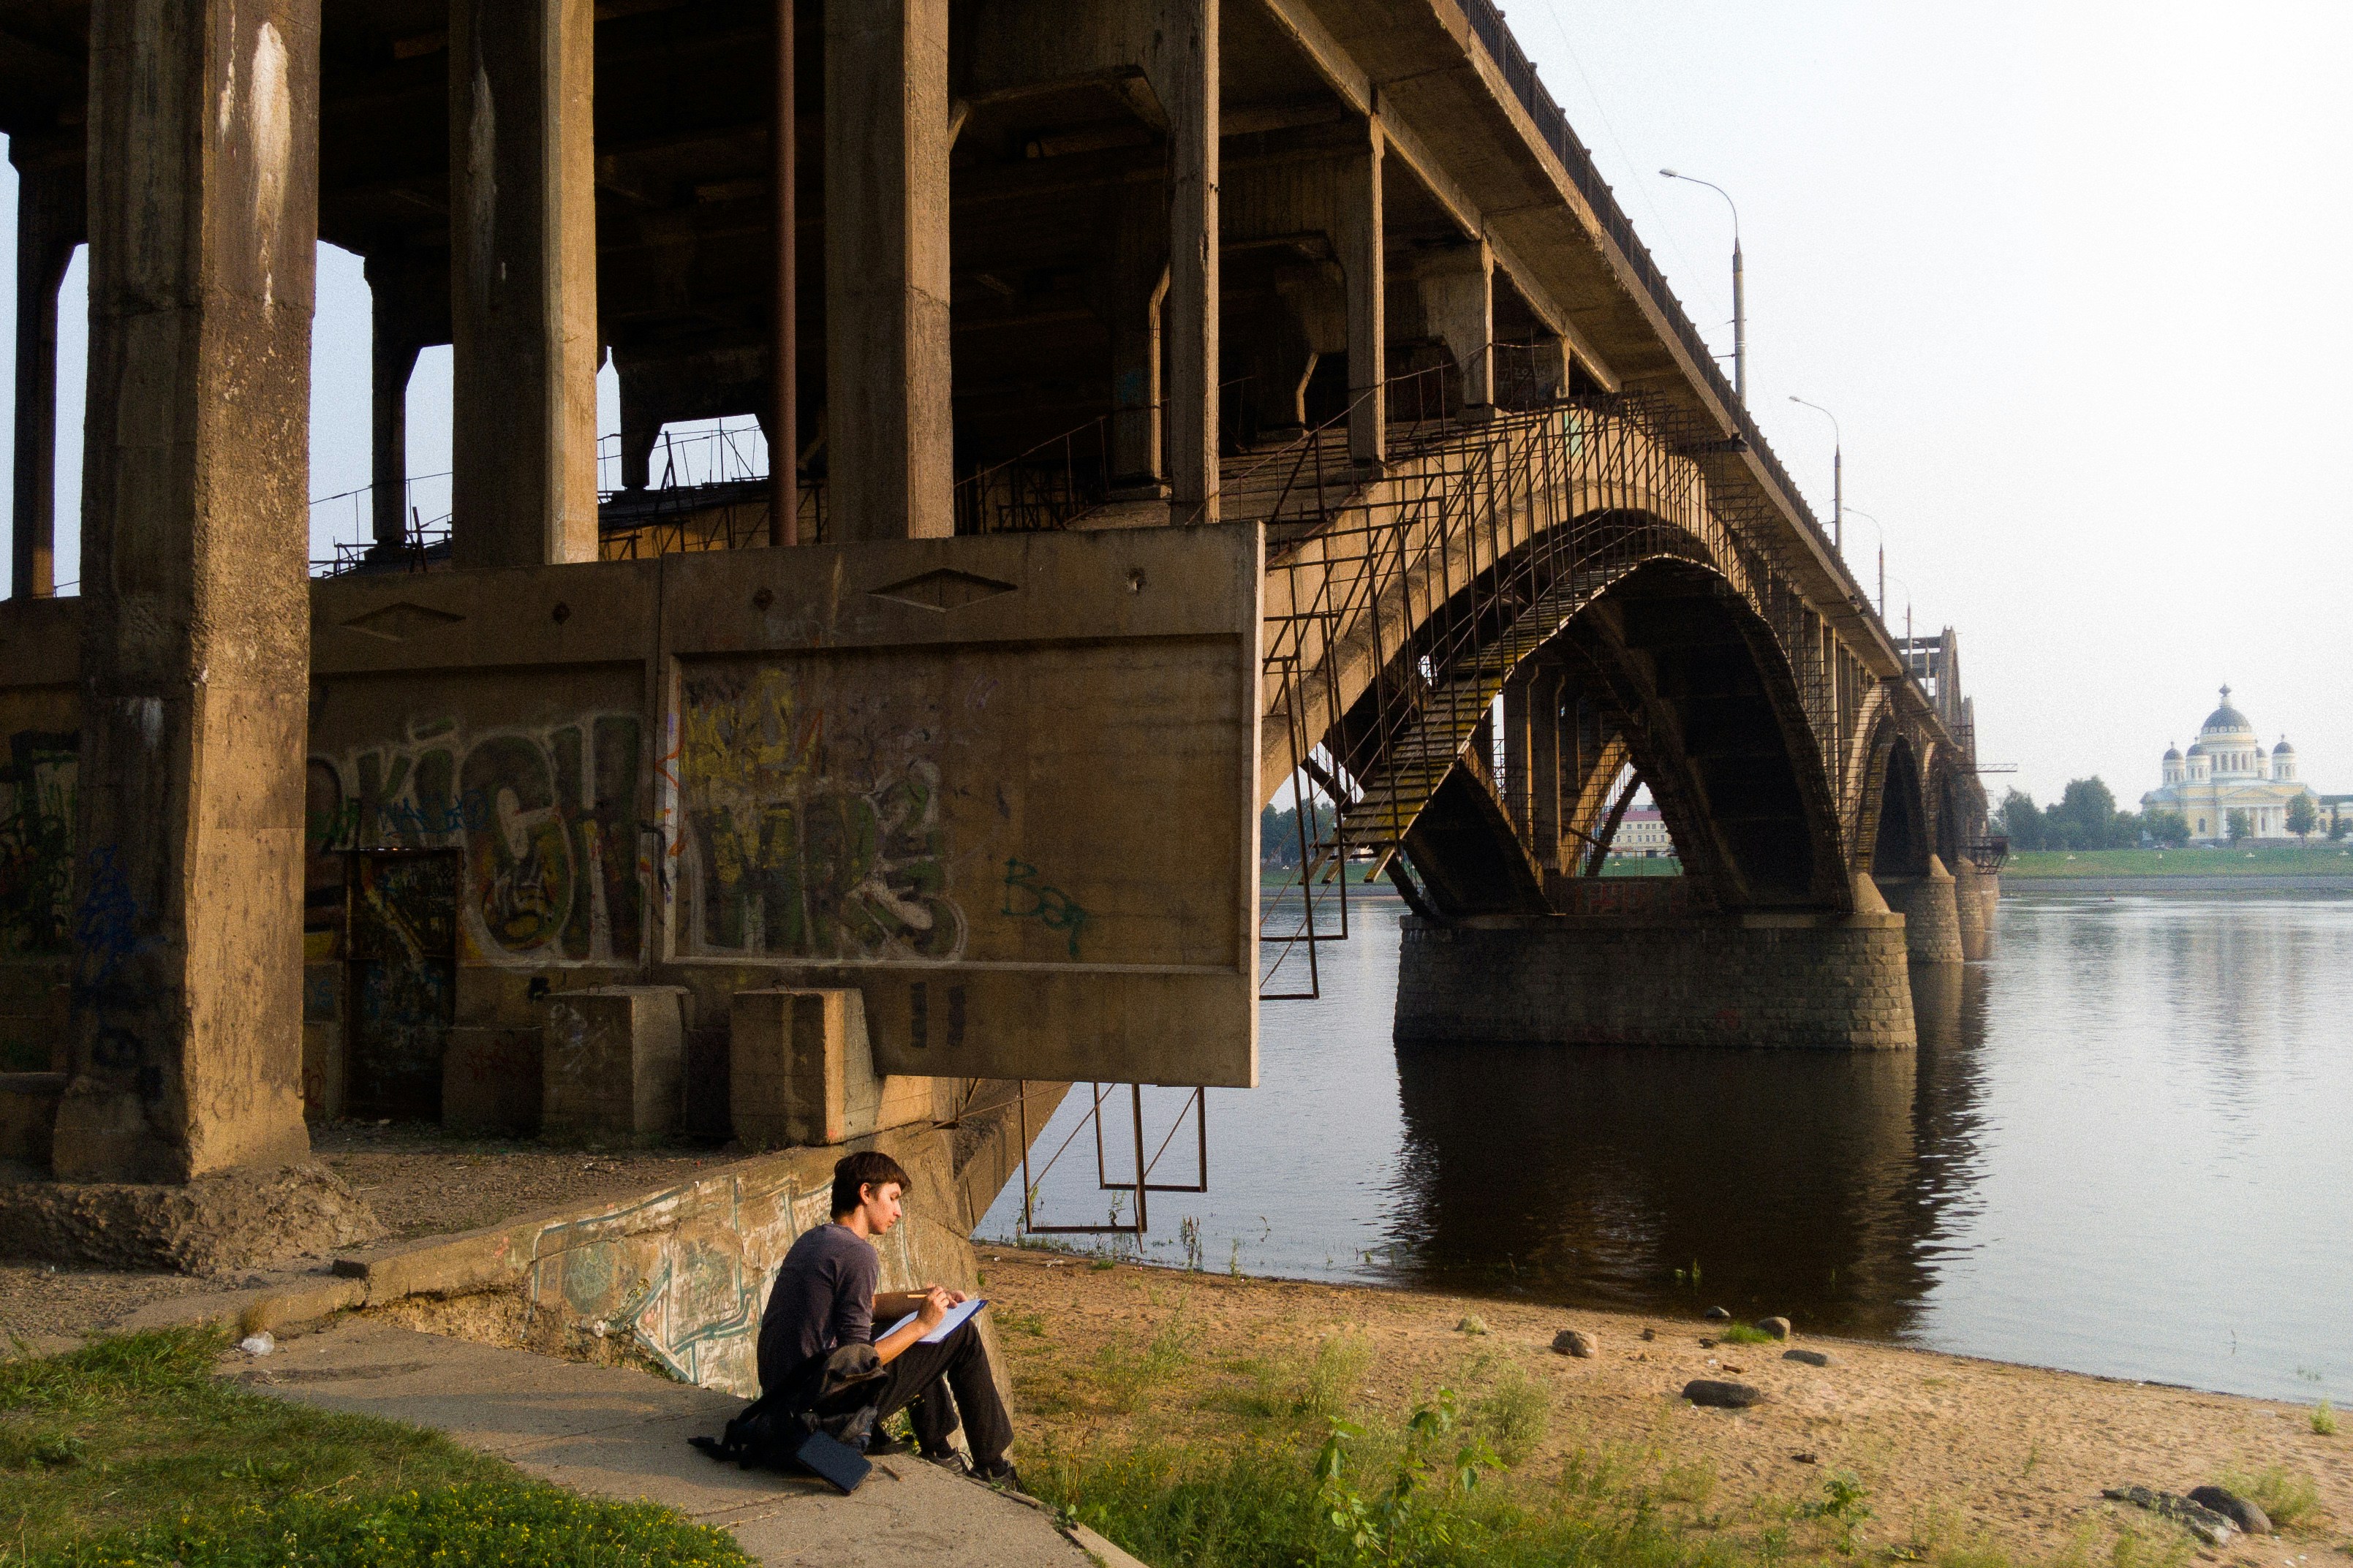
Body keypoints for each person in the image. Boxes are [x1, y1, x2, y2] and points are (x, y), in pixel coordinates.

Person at [756, 1149, 1019, 1488]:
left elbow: (869, 1305)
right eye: (893, 1198)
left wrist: (921, 1301)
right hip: (821, 1412)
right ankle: (993, 1466)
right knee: (960, 1335)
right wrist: (921, 1325)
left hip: (784, 1401)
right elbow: (858, 1363)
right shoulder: (858, 1253)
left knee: (915, 1333)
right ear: (865, 1193)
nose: (899, 1211)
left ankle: (938, 1448)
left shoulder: (816, 1240)